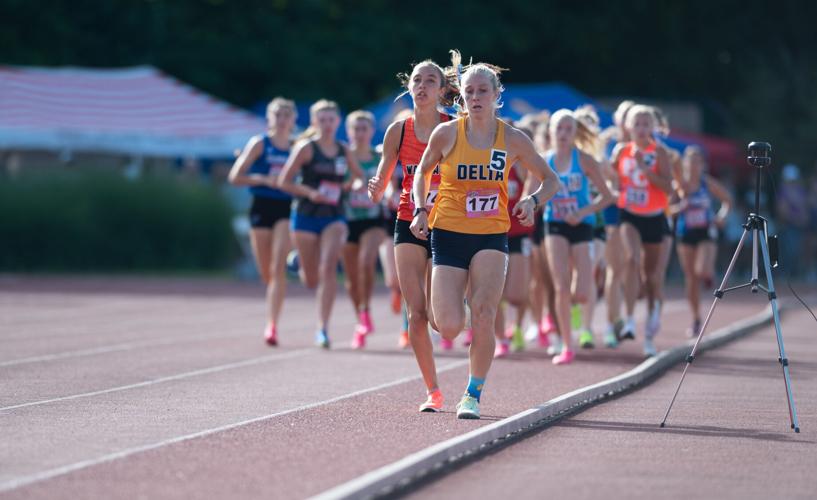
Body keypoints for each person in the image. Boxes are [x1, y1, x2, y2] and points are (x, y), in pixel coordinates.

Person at [411, 54, 560, 419]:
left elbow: (550, 180)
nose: (475, 97)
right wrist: (420, 208)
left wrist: (532, 200)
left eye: (482, 91)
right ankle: (460, 305)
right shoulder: (447, 133)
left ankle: (472, 394)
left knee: (485, 313)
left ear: (496, 95)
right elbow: (422, 173)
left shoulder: (513, 139)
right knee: (448, 326)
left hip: (491, 235)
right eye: (469, 92)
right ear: (461, 96)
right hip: (448, 233)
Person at [367, 59, 458, 412]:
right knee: (415, 315)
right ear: (409, 87)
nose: (422, 86)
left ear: (442, 89)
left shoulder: (454, 128)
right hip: (408, 221)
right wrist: (376, 187)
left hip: (447, 224)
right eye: (417, 80)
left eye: (430, 80)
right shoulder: (398, 131)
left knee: (439, 319)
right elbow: (383, 175)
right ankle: (433, 391)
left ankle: (458, 306)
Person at [278, 99, 364, 348]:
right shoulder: (306, 148)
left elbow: (359, 176)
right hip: (306, 216)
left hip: (334, 216)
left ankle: (323, 329)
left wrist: (351, 186)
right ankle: (300, 260)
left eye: (331, 120)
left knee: (328, 268)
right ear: (315, 122)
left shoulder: (343, 150)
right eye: (322, 120)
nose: (327, 124)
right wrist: (310, 193)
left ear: (337, 122)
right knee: (311, 280)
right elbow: (284, 181)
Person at [542, 109, 615, 365]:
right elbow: (533, 193)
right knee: (561, 287)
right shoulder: (544, 161)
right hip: (555, 224)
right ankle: (567, 345)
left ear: (575, 133)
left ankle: (575, 310)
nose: (563, 134)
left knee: (582, 292)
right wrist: (533, 203)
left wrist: (582, 211)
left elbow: (607, 196)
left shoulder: (584, 160)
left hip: (582, 225)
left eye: (568, 129)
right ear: (551, 131)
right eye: (559, 128)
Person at [227, 97, 297, 346]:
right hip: (261, 207)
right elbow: (235, 177)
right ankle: (273, 301)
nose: (282, 119)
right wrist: (263, 179)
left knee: (277, 268)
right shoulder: (260, 143)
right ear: (269, 118)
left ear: (293, 120)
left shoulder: (297, 147)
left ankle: (272, 326)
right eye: (277, 114)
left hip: (286, 208)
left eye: (286, 115)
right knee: (266, 273)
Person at [612, 105, 673, 356]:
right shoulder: (621, 151)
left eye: (646, 124)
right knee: (631, 259)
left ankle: (649, 332)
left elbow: (668, 187)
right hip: (629, 214)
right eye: (637, 123)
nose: (641, 128)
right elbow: (614, 180)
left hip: (654, 216)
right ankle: (628, 319)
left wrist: (646, 170)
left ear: (653, 127)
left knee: (652, 278)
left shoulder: (660, 152)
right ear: (628, 126)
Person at [671, 146, 732, 337]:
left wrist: (722, 216)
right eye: (691, 162)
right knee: (691, 279)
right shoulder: (679, 185)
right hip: (685, 232)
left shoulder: (707, 183)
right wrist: (679, 208)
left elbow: (727, 200)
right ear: (685, 164)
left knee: (701, 270)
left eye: (697, 162)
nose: (694, 166)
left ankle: (708, 274)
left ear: (702, 165)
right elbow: (666, 209)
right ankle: (696, 318)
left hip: (706, 231)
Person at [342, 110, 387, 349]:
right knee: (351, 278)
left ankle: (366, 310)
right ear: (348, 131)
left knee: (366, 261)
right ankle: (361, 318)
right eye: (355, 129)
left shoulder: (379, 157)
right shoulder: (342, 157)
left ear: (371, 131)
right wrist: (349, 185)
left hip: (373, 219)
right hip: (346, 220)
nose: (359, 133)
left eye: (364, 129)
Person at [493, 122, 536, 357]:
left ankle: (517, 325)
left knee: (517, 294)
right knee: (495, 292)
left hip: (520, 234)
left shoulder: (522, 165)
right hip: (494, 233)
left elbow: (533, 185)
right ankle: (501, 338)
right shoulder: (492, 159)